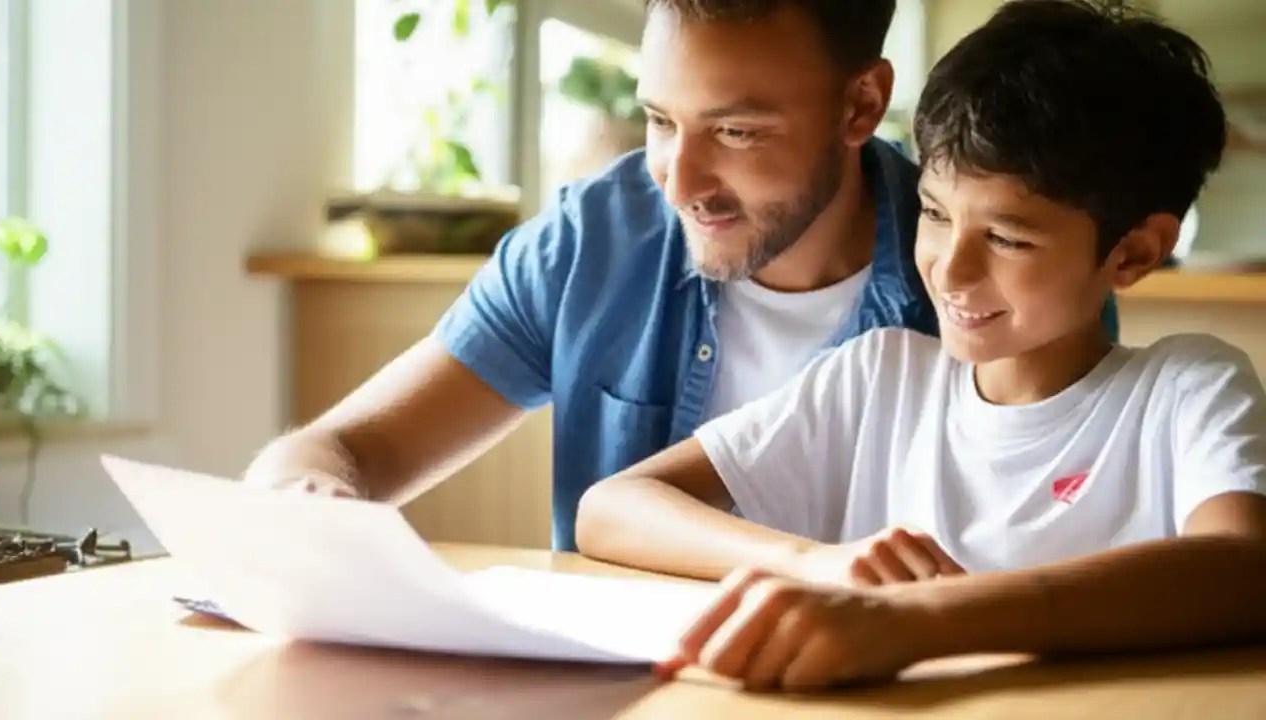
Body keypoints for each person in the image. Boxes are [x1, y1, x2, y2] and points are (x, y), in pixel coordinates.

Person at [576, 0, 1266, 692]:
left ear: (1134, 253)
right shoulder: (878, 377)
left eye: (1006, 238)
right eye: (935, 213)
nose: (950, 268)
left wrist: (927, 618)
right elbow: (611, 508)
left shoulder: (1186, 388)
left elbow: (1246, 568)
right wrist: (814, 563)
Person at [244, 0, 1068, 551]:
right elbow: (350, 448)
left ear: (860, 106)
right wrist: (306, 503)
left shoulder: (991, 287)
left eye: (737, 132)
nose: (677, 179)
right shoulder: (594, 239)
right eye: (660, 120)